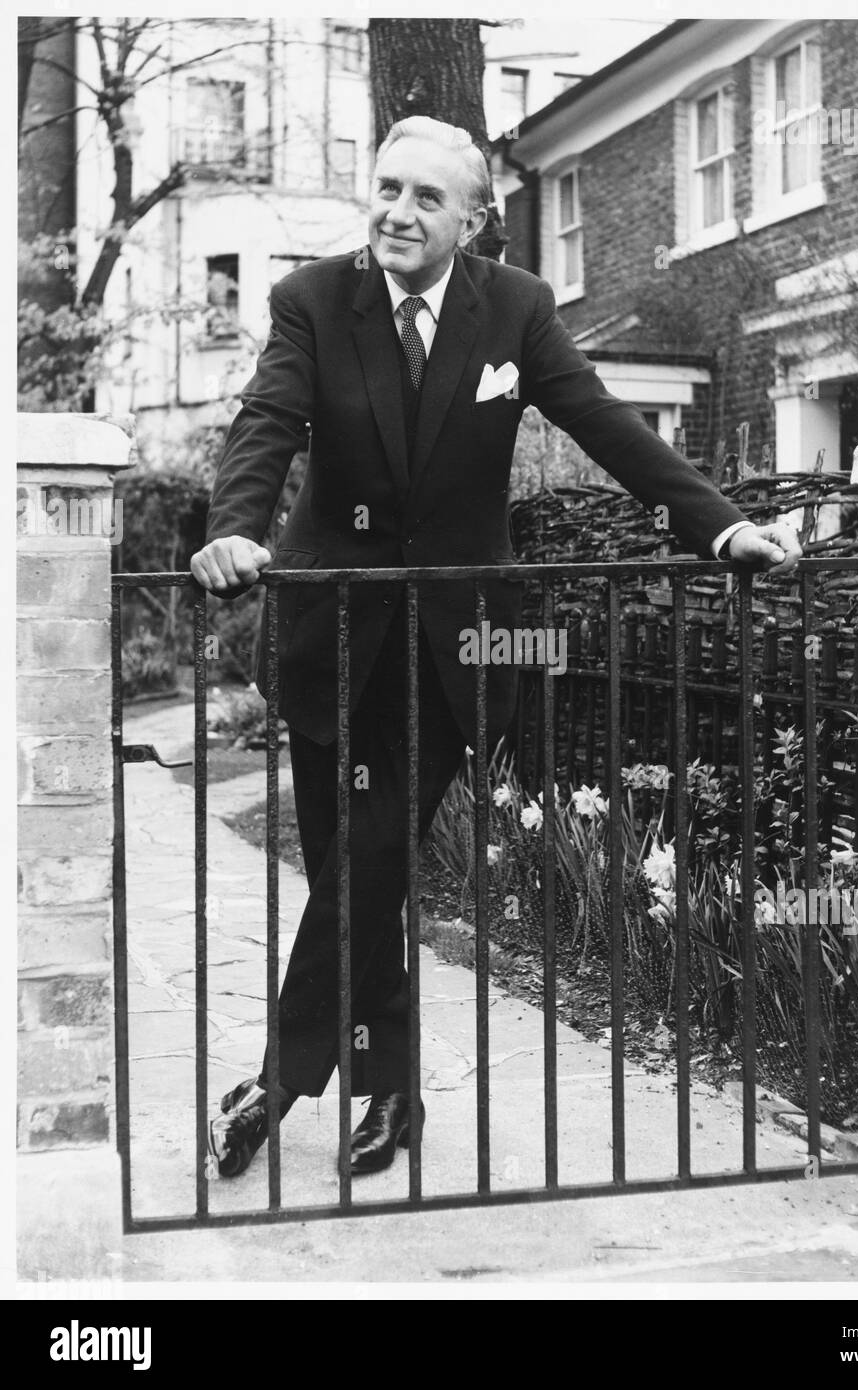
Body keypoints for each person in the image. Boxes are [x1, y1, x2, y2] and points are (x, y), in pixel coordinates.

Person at [191, 115, 802, 1179]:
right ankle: (390, 1099)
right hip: (332, 638)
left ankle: (277, 1081)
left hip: (451, 648)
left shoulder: (513, 309)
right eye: (386, 187)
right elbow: (267, 420)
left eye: (428, 198)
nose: (396, 211)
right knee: (353, 867)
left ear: (476, 220)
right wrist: (235, 525)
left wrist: (717, 524)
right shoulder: (312, 301)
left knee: (374, 852)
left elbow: (604, 422)